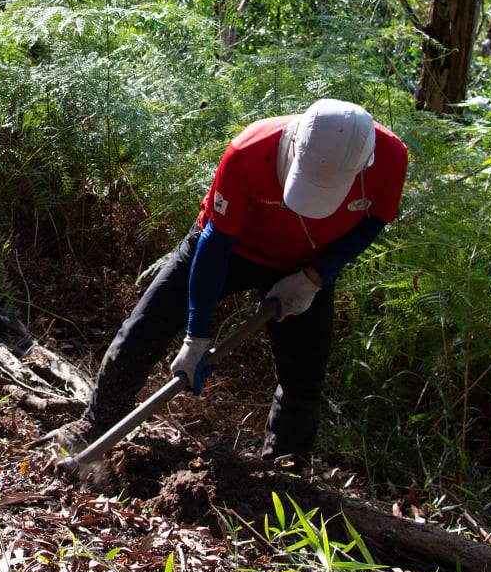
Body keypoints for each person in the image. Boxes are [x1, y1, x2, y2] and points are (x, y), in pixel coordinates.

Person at [51, 99, 408, 469]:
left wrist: (315, 277)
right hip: (231, 245)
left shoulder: (391, 157)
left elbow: (375, 220)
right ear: (296, 145)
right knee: (144, 328)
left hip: (306, 266)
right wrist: (196, 338)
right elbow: (215, 241)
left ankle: (285, 472)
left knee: (304, 377)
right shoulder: (251, 152)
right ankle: (94, 425)